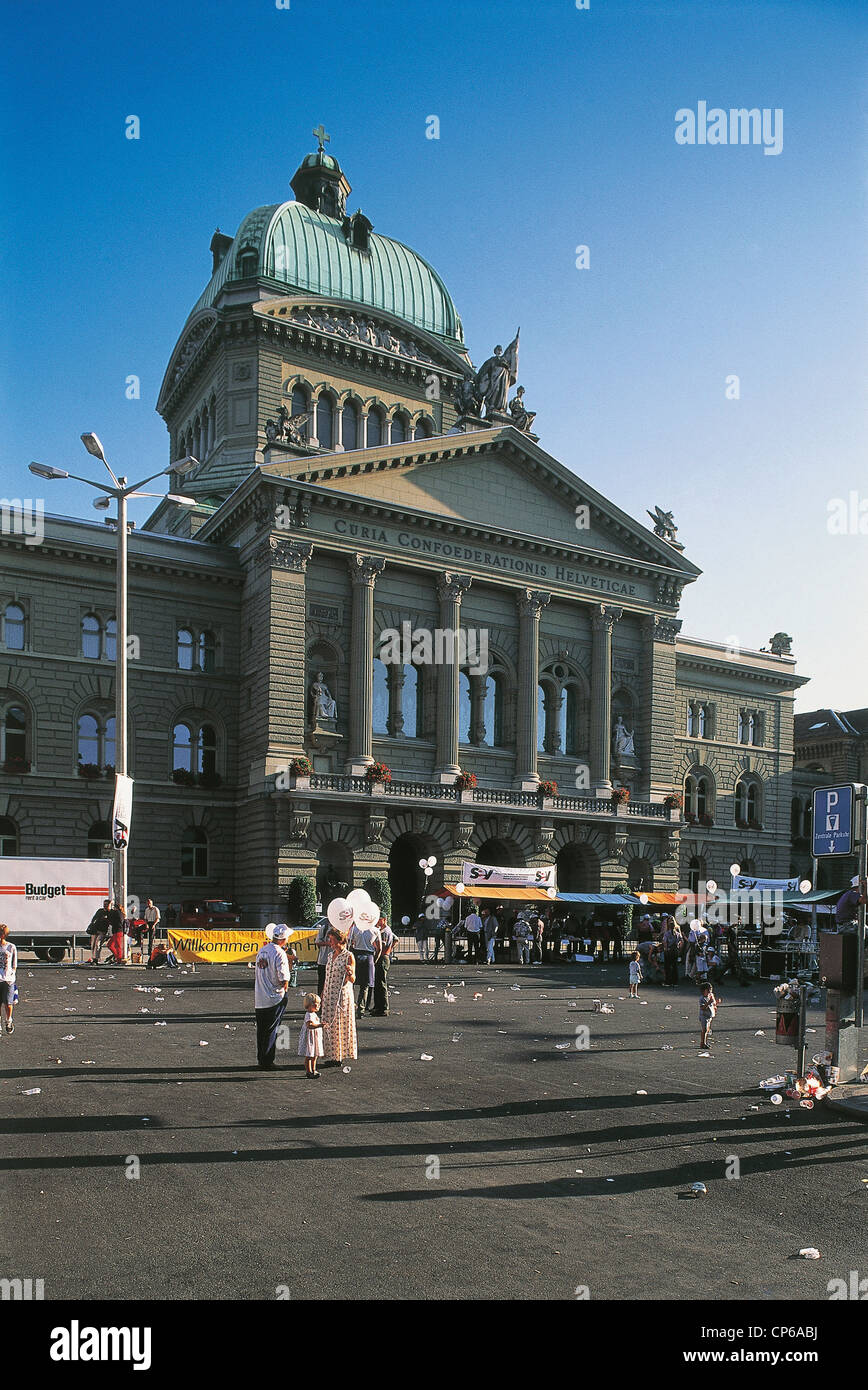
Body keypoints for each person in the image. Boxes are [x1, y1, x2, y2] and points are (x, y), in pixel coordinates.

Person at [254, 924, 292, 1069]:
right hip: (274, 996)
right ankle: (267, 1061)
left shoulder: (263, 950)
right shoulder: (279, 953)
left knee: (262, 1030)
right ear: (284, 939)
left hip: (260, 996)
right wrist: (285, 987)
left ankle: (262, 1058)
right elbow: (283, 978)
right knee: (271, 1029)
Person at [321, 928, 357, 1066]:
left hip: (341, 994)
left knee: (339, 1024)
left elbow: (353, 979)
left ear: (340, 940)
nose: (330, 943)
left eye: (332, 940)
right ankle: (331, 1054)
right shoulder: (330, 956)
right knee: (328, 1023)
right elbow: (327, 976)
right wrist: (323, 993)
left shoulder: (348, 956)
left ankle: (339, 1056)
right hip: (329, 993)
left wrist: (350, 973)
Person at [351, 916, 382, 1015]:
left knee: (351, 983)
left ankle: (350, 1006)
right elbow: (379, 948)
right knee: (365, 986)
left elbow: (349, 943)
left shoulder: (354, 928)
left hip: (356, 955)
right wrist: (375, 960)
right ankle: (361, 1008)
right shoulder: (375, 930)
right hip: (369, 956)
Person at [370, 915, 394, 1016]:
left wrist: (374, 943)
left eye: (379, 920)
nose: (377, 922)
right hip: (382, 956)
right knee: (377, 984)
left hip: (383, 957)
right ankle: (377, 1006)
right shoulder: (382, 930)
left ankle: (384, 1008)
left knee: (381, 983)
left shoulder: (385, 931)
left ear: (384, 920)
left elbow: (382, 945)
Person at [298, 992, 324, 1078]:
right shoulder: (309, 1015)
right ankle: (309, 1071)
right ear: (310, 1005)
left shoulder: (313, 1014)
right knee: (309, 1055)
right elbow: (309, 1025)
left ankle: (314, 1069)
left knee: (314, 1055)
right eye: (317, 1004)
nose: (319, 1006)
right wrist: (319, 1025)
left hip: (314, 1036)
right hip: (310, 1037)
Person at [0, 924, 17, 1034]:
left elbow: (14, 963)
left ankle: (8, 1020)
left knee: (8, 1003)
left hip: (8, 979)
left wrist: (12, 974)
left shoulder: (11, 947)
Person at [314, 917, 331, 999]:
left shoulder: (340, 929)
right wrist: (328, 943)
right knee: (322, 983)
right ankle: (320, 1002)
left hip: (335, 961)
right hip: (323, 960)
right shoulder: (324, 928)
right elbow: (317, 942)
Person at [699, 981, 718, 1048]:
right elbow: (702, 1008)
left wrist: (715, 1003)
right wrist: (709, 1002)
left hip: (709, 1015)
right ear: (705, 990)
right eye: (709, 990)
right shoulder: (702, 998)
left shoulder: (710, 996)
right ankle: (702, 1043)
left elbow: (713, 1004)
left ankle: (705, 1042)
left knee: (707, 1030)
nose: (710, 992)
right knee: (704, 1030)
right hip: (704, 1016)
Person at [662, 917, 680, 987]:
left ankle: (668, 981)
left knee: (667, 967)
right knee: (675, 966)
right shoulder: (677, 933)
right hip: (675, 950)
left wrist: (666, 949)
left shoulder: (666, 933)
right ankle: (675, 982)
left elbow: (665, 942)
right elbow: (680, 940)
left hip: (669, 950)